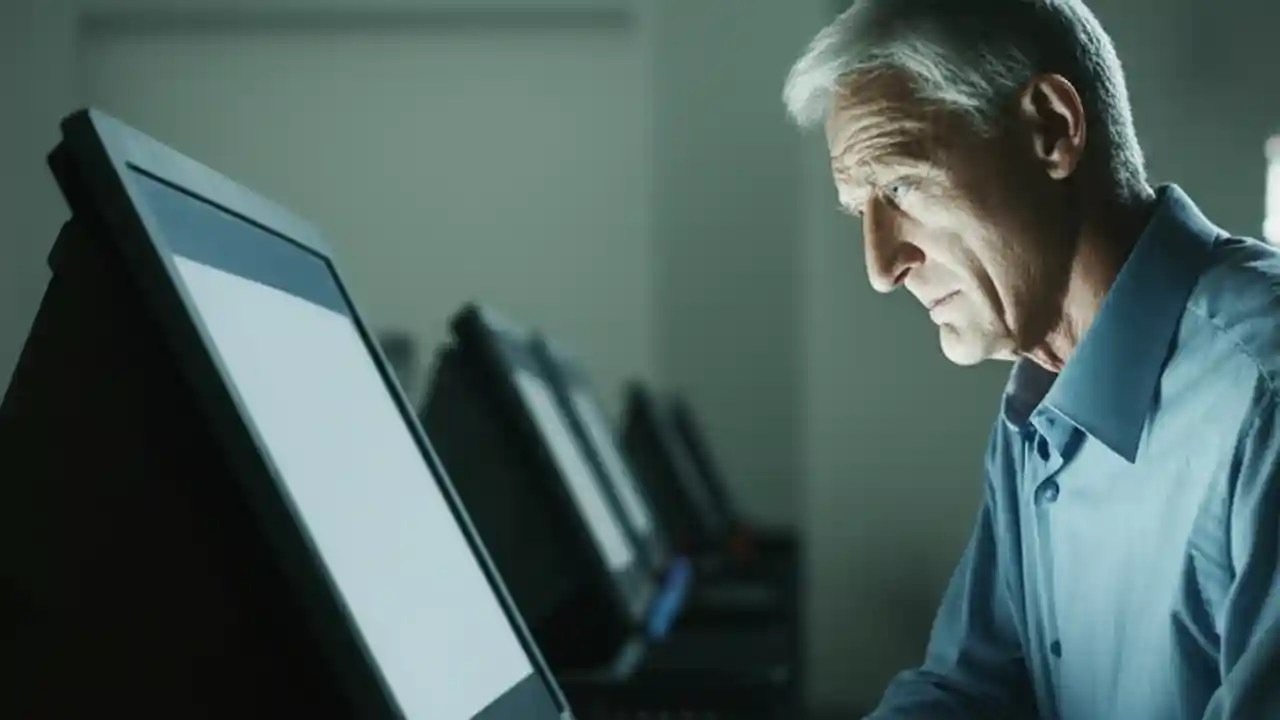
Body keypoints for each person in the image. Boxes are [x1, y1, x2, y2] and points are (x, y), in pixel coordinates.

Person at [782, 1, 1280, 718]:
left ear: (1051, 129)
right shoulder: (1041, 394)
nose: (881, 265)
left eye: (901, 185)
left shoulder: (1262, 398)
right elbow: (969, 687)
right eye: (860, 209)